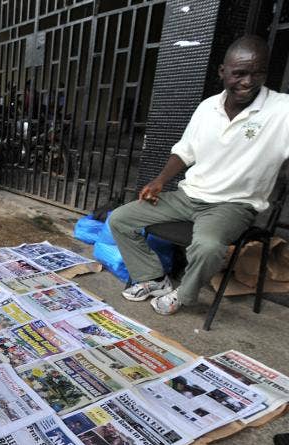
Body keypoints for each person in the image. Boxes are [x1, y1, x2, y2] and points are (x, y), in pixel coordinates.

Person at [109, 35, 289, 316]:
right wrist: (159, 181)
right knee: (121, 219)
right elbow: (184, 151)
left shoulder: (282, 110)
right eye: (239, 73)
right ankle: (154, 279)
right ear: (222, 72)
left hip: (233, 204)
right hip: (188, 195)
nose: (248, 81)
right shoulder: (207, 107)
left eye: (258, 73)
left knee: (207, 246)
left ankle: (184, 294)